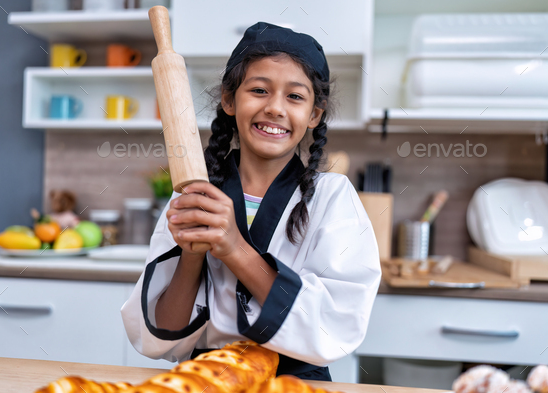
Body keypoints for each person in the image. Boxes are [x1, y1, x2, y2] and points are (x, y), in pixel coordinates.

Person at [121, 21, 381, 382]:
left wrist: (234, 248)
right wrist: (193, 253)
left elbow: (333, 325)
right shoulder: (195, 197)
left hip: (293, 383)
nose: (275, 108)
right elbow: (163, 333)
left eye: (294, 96)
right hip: (206, 381)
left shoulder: (331, 198)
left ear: (314, 115)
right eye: (259, 90)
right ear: (229, 99)